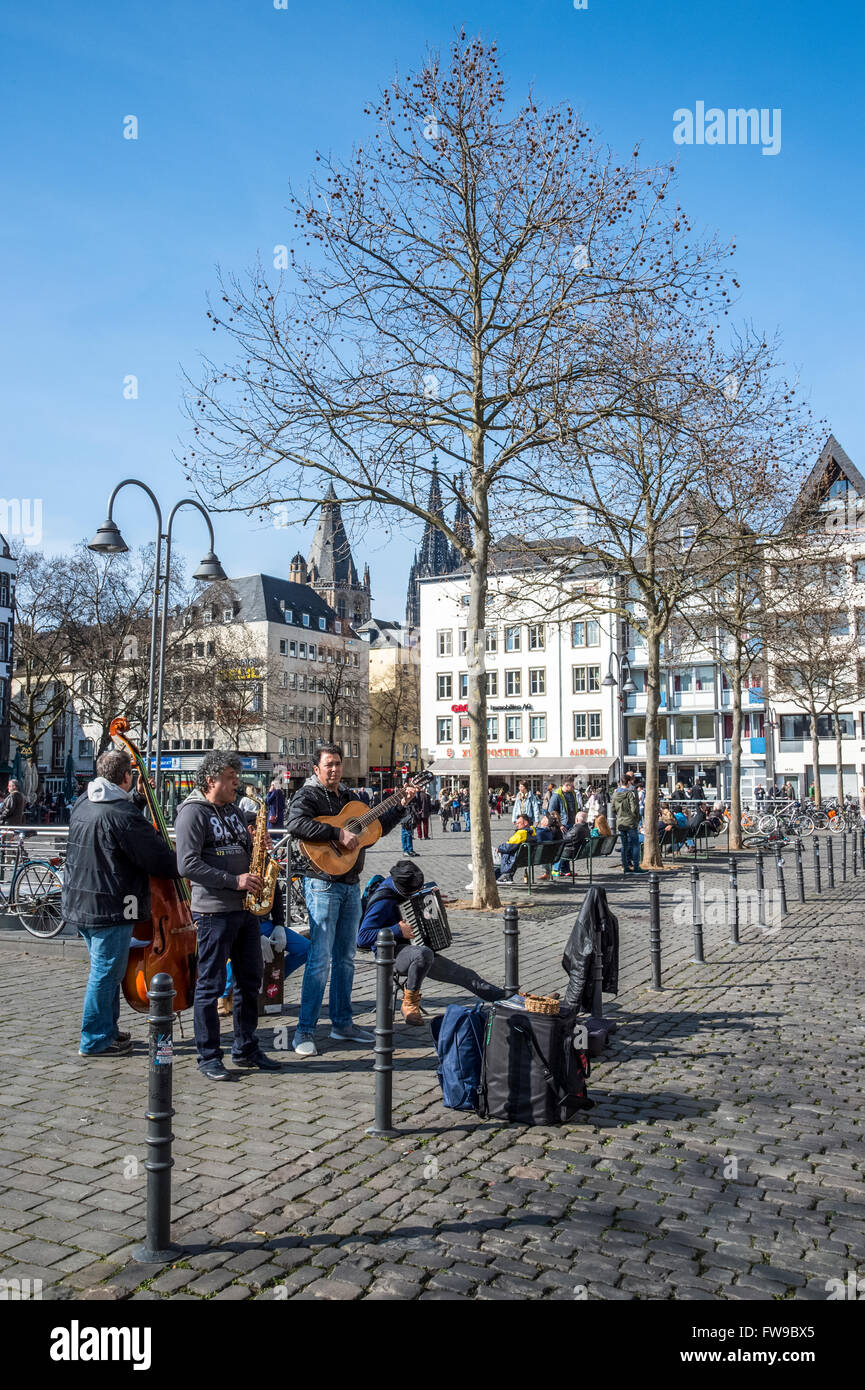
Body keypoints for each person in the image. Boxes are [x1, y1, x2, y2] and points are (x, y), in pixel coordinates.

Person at [285, 743, 415, 1057]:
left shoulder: (349, 798)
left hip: (349, 885)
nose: (334, 769)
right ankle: (304, 1031)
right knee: (319, 960)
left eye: (338, 764)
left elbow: (375, 829)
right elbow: (295, 824)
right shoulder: (308, 795)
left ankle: (342, 1023)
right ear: (316, 768)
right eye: (328, 764)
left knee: (345, 958)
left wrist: (400, 804)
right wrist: (336, 834)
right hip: (322, 884)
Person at [63, 748, 179, 1059]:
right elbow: (158, 859)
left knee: (104, 970)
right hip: (112, 905)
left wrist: (139, 799)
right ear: (127, 776)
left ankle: (107, 1029)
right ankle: (96, 1039)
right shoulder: (123, 815)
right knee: (105, 973)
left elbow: (115, 831)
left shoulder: (83, 802)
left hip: (80, 900)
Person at [175, 751, 282, 1081]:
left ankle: (246, 1047)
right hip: (213, 913)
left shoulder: (235, 812)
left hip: (245, 909)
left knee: (250, 982)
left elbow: (245, 853)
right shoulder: (192, 814)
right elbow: (187, 864)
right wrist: (233, 881)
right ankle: (208, 1055)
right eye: (230, 775)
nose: (237, 780)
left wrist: (258, 846)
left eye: (237, 774)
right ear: (211, 780)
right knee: (210, 985)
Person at [358, 860, 508, 1023]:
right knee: (423, 953)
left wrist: (433, 902)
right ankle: (410, 1002)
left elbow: (417, 906)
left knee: (466, 976)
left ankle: (508, 1000)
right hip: (390, 955)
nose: (418, 892)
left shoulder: (402, 886)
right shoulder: (383, 900)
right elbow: (362, 938)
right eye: (415, 891)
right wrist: (396, 930)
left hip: (416, 951)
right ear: (403, 889)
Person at [610, 775, 641, 873]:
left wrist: (620, 814)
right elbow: (634, 808)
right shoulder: (629, 794)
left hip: (620, 822)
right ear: (628, 782)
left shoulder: (614, 794)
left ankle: (625, 867)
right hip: (630, 822)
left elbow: (612, 809)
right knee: (635, 844)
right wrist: (635, 818)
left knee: (624, 845)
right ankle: (636, 866)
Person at [494, 815, 535, 881]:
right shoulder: (533, 832)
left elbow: (508, 847)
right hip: (525, 858)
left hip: (512, 858)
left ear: (526, 823)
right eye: (516, 823)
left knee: (490, 853)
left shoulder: (521, 834)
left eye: (519, 823)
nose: (516, 825)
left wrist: (498, 849)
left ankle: (480, 870)